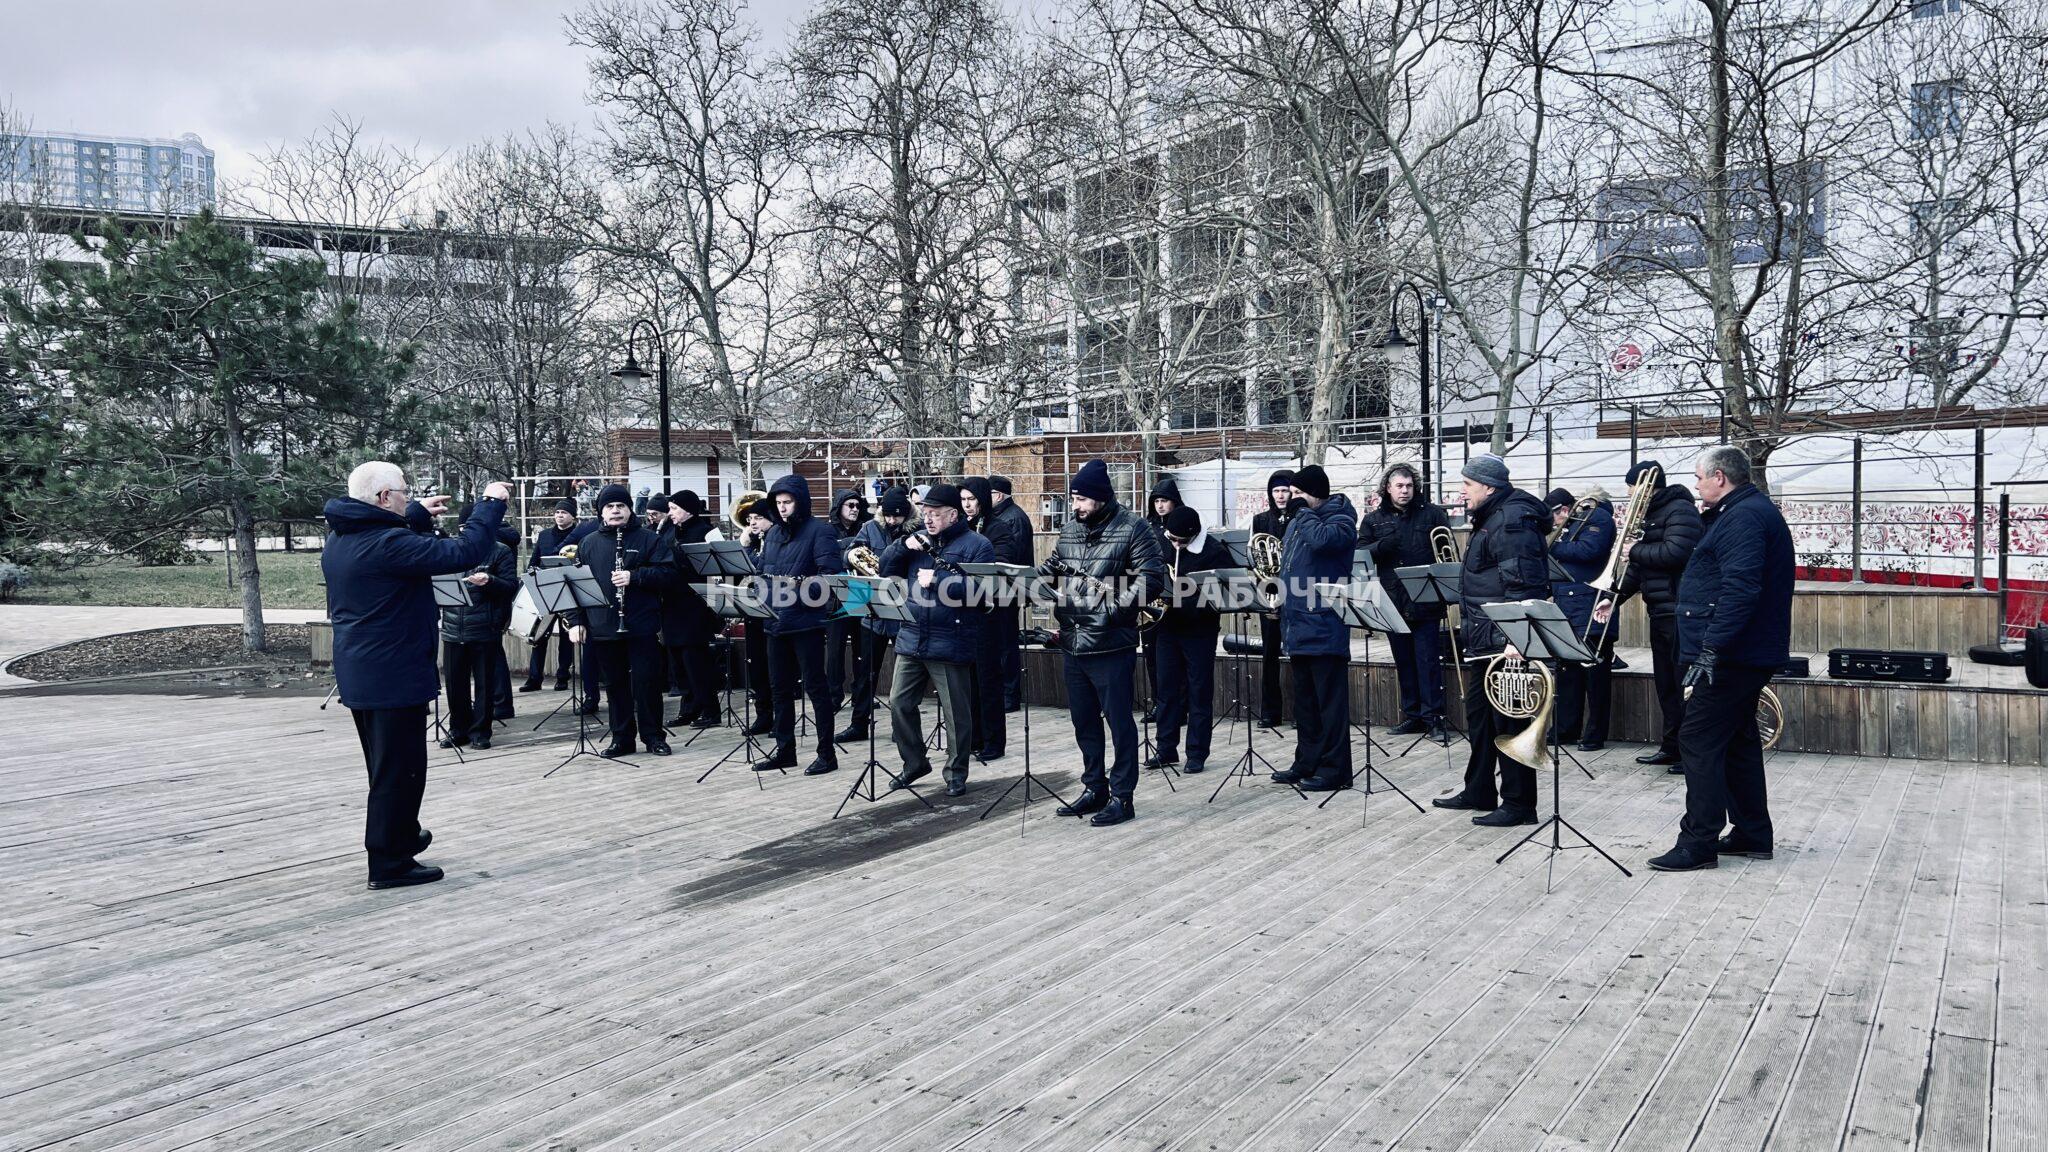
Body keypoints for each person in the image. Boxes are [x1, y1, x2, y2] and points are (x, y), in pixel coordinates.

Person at [322, 461, 511, 890]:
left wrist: (420, 513)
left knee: (386, 766)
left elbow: (388, 533)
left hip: (363, 669)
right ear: (385, 499)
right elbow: (464, 552)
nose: (409, 496)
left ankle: (401, 836)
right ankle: (389, 863)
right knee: (400, 771)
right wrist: (490, 504)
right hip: (393, 672)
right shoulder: (388, 543)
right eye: (404, 492)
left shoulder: (340, 536)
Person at [1646, 446, 1794, 872]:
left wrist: (1712, 648)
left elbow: (1740, 588)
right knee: (1737, 740)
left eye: (1699, 477)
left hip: (1734, 654)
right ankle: (1751, 832)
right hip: (1741, 651)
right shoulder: (1741, 511)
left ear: (1720, 478)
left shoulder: (1744, 516)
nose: (1696, 484)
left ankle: (1698, 842)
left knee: (1698, 738)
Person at [1431, 454, 1552, 827]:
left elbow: (1525, 583)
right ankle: (1479, 788)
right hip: (1485, 638)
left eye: (1467, 484)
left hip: (1504, 642)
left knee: (1508, 722)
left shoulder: (1511, 521)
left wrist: (1517, 638)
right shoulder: (1494, 517)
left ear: (1488, 486)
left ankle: (1519, 803)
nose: (1461, 491)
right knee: (1481, 718)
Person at [1045, 459, 1167, 827]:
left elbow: (1151, 579)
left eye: (1082, 499)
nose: (1076, 506)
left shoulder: (1135, 528)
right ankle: (1093, 787)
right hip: (1072, 640)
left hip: (1111, 642)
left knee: (1119, 722)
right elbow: (1051, 566)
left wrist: (1115, 610)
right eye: (1073, 498)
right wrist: (1020, 581)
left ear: (1100, 497)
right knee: (1084, 722)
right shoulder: (1070, 530)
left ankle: (1122, 796)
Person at [880, 483, 996, 796]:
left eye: (935, 514)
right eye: (926, 513)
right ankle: (914, 762)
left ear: (953, 514)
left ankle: (956, 773)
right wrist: (904, 544)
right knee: (899, 703)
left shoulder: (977, 545)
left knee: (956, 713)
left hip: (951, 637)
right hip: (913, 634)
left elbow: (982, 591)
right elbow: (884, 569)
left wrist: (940, 580)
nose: (928, 519)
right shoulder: (919, 539)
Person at [1598, 460, 1705, 771]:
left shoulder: (1680, 510)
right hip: (1659, 610)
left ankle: (1689, 753)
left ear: (1646, 488)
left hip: (1678, 610)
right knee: (1665, 685)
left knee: (1681, 684)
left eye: (1632, 490)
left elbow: (1677, 553)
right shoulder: (1650, 515)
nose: (1630, 497)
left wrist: (1636, 550)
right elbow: (1639, 568)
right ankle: (1671, 746)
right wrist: (1614, 599)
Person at [565, 484, 678, 758]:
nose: (615, 511)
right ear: (601, 512)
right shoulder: (588, 543)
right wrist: (576, 620)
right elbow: (576, 587)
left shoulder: (649, 539)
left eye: (621, 506)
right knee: (614, 686)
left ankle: (653, 737)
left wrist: (634, 577)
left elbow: (669, 575)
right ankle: (622, 738)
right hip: (603, 625)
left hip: (641, 623)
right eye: (609, 507)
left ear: (629, 510)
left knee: (647, 683)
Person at [1268, 465, 1358, 792]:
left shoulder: (1341, 520)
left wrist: (1302, 512)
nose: (1290, 500)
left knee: (1329, 705)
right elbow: (1291, 567)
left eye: (1296, 494)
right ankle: (1307, 760)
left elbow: (1321, 543)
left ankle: (1336, 770)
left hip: (1325, 625)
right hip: (1298, 623)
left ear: (1313, 494)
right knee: (1304, 704)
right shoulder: (1299, 521)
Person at [753, 472, 845, 775]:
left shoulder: (820, 531)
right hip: (775, 621)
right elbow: (764, 570)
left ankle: (826, 754)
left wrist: (800, 584)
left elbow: (830, 578)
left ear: (800, 502)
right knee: (779, 689)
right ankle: (785, 750)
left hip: (806, 622)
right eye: (778, 502)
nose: (782, 508)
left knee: (816, 689)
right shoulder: (773, 534)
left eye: (787, 502)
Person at [1361, 463, 1450, 740]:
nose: (1405, 491)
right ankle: (1413, 716)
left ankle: (1434, 718)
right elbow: (1360, 554)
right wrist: (1379, 548)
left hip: (1426, 598)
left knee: (1428, 662)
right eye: (1399, 486)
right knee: (1404, 662)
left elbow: (1446, 553)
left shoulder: (1434, 514)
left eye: (1409, 485)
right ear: (1387, 488)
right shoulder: (1373, 520)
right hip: (1393, 600)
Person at [1150, 506, 1229, 774]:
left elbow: (1222, 597)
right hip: (1167, 627)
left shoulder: (1215, 552)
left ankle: (1196, 753)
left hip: (1199, 630)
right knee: (1166, 690)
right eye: (1171, 539)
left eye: (1180, 542)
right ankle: (1165, 749)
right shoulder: (1164, 542)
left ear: (1193, 536)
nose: (1174, 545)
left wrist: (1184, 600)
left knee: (1199, 691)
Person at [437, 511, 517, 750]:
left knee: (484, 683)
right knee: (454, 683)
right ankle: (458, 729)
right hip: (452, 627)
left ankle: (481, 731)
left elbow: (511, 586)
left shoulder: (499, 551)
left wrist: (490, 581)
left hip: (484, 626)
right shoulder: (450, 549)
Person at [1548, 486, 1617, 752]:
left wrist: (1555, 546)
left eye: (1555, 515)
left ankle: (1594, 734)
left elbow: (1589, 550)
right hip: (1568, 605)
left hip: (1592, 604)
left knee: (1595, 677)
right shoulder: (1573, 524)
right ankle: (1566, 729)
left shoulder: (1598, 518)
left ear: (1564, 510)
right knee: (1568, 674)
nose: (1554, 522)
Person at [852, 487, 914, 735]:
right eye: (887, 516)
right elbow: (854, 550)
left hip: (903, 611)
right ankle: (858, 724)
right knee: (865, 671)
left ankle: (903, 729)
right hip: (875, 611)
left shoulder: (916, 532)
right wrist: (853, 557)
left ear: (906, 515)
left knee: (906, 677)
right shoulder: (870, 527)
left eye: (897, 517)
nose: (891, 521)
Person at [659, 490, 723, 729]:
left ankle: (710, 709)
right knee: (679, 662)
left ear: (688, 509)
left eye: (674, 508)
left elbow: (719, 568)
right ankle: (689, 708)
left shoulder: (706, 531)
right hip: (671, 602)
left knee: (696, 660)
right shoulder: (668, 530)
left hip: (696, 603)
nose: (671, 513)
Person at [959, 475, 1007, 762]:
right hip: (965, 611)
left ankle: (993, 741)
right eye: (963, 500)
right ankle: (974, 736)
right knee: (969, 681)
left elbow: (1001, 566)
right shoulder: (961, 528)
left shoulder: (998, 528)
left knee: (988, 680)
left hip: (990, 612)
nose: (967, 505)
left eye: (971, 500)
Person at [985, 475, 1035, 712]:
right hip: (1003, 589)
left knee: (1006, 643)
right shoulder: (1006, 516)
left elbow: (1011, 558)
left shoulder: (1012, 518)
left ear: (997, 496)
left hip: (1008, 590)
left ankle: (1010, 695)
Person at [1249, 469, 1295, 727]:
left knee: (1297, 653)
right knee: (1269, 655)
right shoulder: (1260, 520)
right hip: (1268, 591)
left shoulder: (1300, 517)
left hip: (1296, 590)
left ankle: (1301, 713)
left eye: (1285, 490)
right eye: (1276, 490)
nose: (1280, 495)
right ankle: (1270, 712)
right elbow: (1255, 556)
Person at [825, 488, 873, 739]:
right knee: (834, 649)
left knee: (862, 651)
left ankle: (860, 695)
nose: (854, 509)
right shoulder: (828, 530)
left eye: (857, 505)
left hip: (860, 594)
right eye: (849, 505)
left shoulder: (864, 528)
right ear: (839, 507)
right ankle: (833, 695)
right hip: (836, 596)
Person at [520, 499, 581, 692]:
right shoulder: (545, 536)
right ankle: (534, 677)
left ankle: (563, 676)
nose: (559, 515)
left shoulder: (579, 536)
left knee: (566, 636)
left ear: (573, 516)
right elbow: (534, 561)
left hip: (569, 591)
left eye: (564, 512)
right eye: (557, 512)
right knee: (539, 633)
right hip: (547, 589)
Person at [1140, 477, 1184, 722]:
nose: (1160, 505)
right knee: (1151, 655)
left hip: (1175, 598)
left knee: (1174, 658)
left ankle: (1179, 706)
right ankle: (1159, 703)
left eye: (1164, 500)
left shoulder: (1181, 525)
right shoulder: (1148, 527)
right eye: (1156, 501)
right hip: (1152, 601)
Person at [736, 498, 776, 735]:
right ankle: (763, 714)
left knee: (773, 666)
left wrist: (745, 550)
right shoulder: (755, 540)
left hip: (772, 608)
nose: (752, 523)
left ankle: (777, 716)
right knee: (756, 664)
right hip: (753, 607)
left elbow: (759, 568)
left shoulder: (774, 540)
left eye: (758, 518)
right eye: (750, 519)